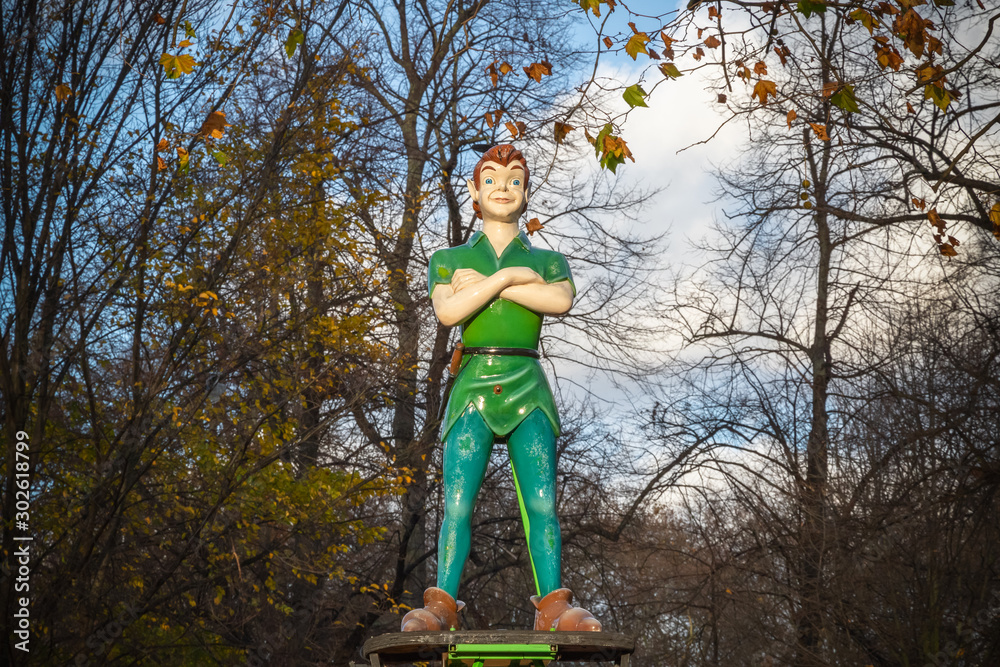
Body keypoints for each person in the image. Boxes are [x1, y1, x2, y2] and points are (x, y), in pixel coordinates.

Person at [400, 144, 601, 633]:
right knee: (458, 502)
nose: (503, 188)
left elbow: (558, 301)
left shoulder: (549, 260)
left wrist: (493, 279)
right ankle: (441, 603)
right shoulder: (449, 258)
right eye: (491, 178)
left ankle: (554, 607)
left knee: (542, 502)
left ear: (527, 191)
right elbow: (448, 312)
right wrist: (514, 280)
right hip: (474, 382)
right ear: (474, 190)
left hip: (527, 382)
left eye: (514, 179)